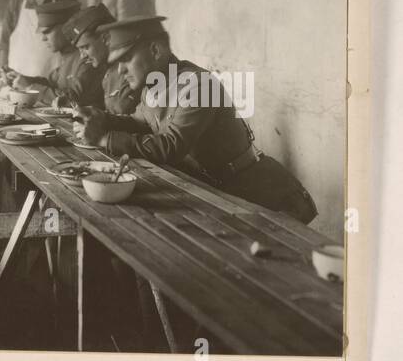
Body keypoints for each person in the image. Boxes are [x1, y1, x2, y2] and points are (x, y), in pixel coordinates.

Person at [75, 16, 318, 223]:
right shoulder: (155, 85)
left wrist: (104, 138)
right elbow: (141, 122)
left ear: (155, 51)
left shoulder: (199, 85)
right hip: (214, 189)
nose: (120, 71)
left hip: (259, 195)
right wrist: (102, 118)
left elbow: (171, 146)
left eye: (125, 60)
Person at [66, 3, 139, 115]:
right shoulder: (107, 70)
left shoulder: (132, 69)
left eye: (85, 47)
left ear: (105, 38)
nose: (82, 56)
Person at [34, 0, 103, 108]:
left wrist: (29, 88)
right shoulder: (66, 56)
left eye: (47, 32)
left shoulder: (87, 58)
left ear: (65, 28)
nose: (43, 38)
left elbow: (73, 98)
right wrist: (24, 80)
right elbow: (52, 81)